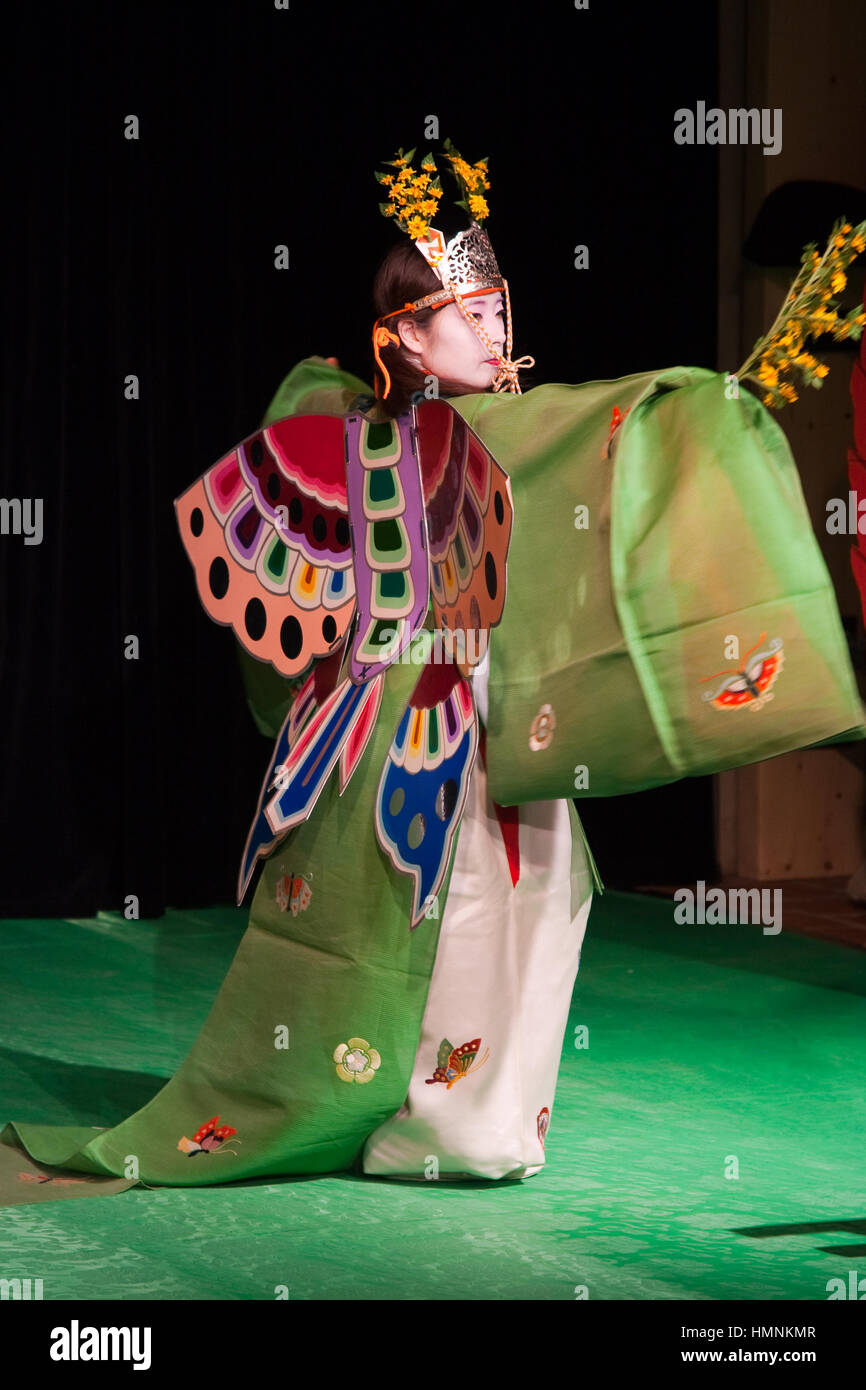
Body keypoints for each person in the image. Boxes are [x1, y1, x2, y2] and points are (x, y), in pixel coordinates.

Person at [1, 141, 863, 1205]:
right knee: (446, 911)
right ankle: (419, 1118)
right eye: (466, 314)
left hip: (498, 709)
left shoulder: (514, 428)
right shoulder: (361, 431)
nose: (494, 329)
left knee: (538, 903)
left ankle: (483, 1119)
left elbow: (605, 427)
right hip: (404, 721)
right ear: (405, 338)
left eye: (498, 308)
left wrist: (716, 402)